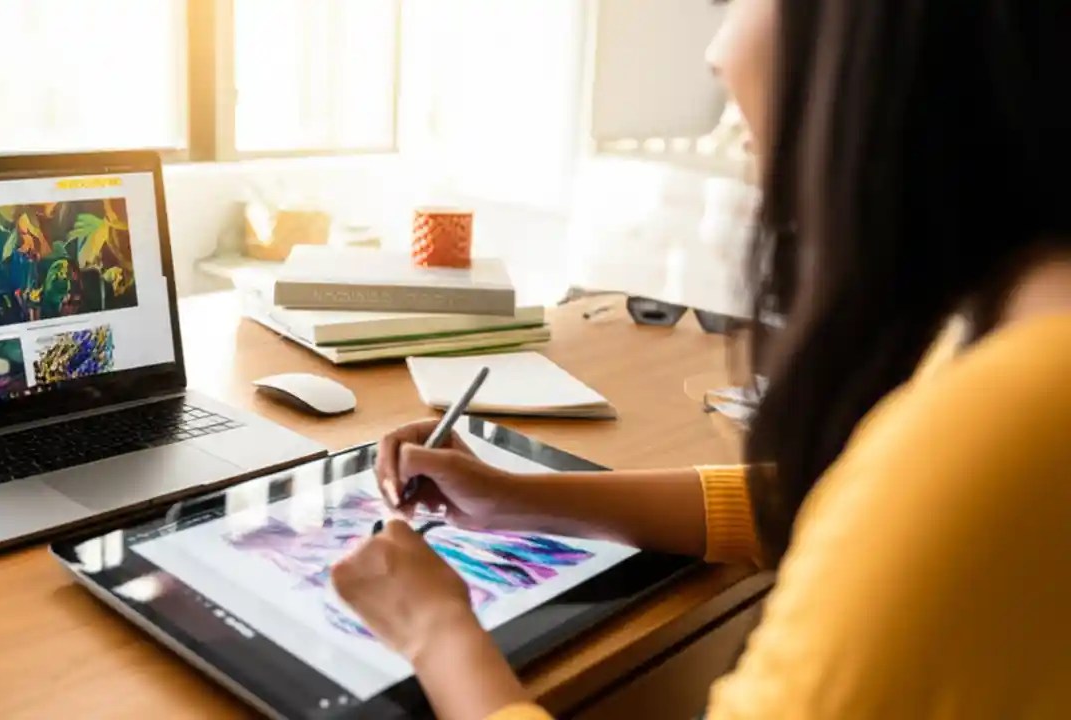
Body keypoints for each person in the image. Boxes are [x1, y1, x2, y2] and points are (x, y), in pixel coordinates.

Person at [331, 0, 1071, 718]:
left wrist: (439, 635)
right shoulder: (1012, 346)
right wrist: (519, 497)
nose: (715, 55)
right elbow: (826, 499)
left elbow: (895, 500)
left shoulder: (995, 425)